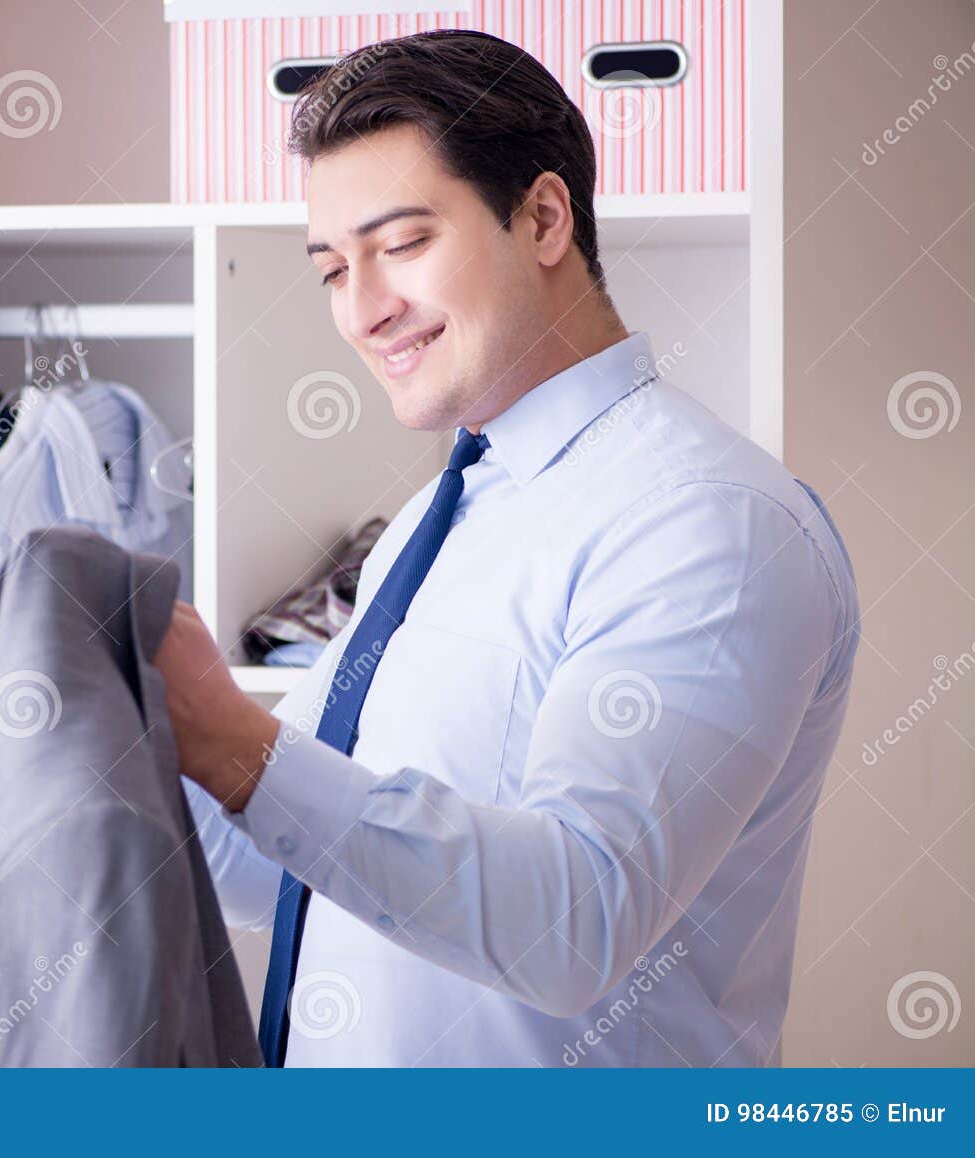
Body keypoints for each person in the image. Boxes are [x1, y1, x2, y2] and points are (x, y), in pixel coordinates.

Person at [154, 29, 860, 1067]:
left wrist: (236, 746)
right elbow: (284, 870)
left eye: (400, 246)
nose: (362, 309)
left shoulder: (708, 522)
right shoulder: (428, 530)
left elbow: (578, 921)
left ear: (540, 218)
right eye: (330, 270)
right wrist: (136, 728)